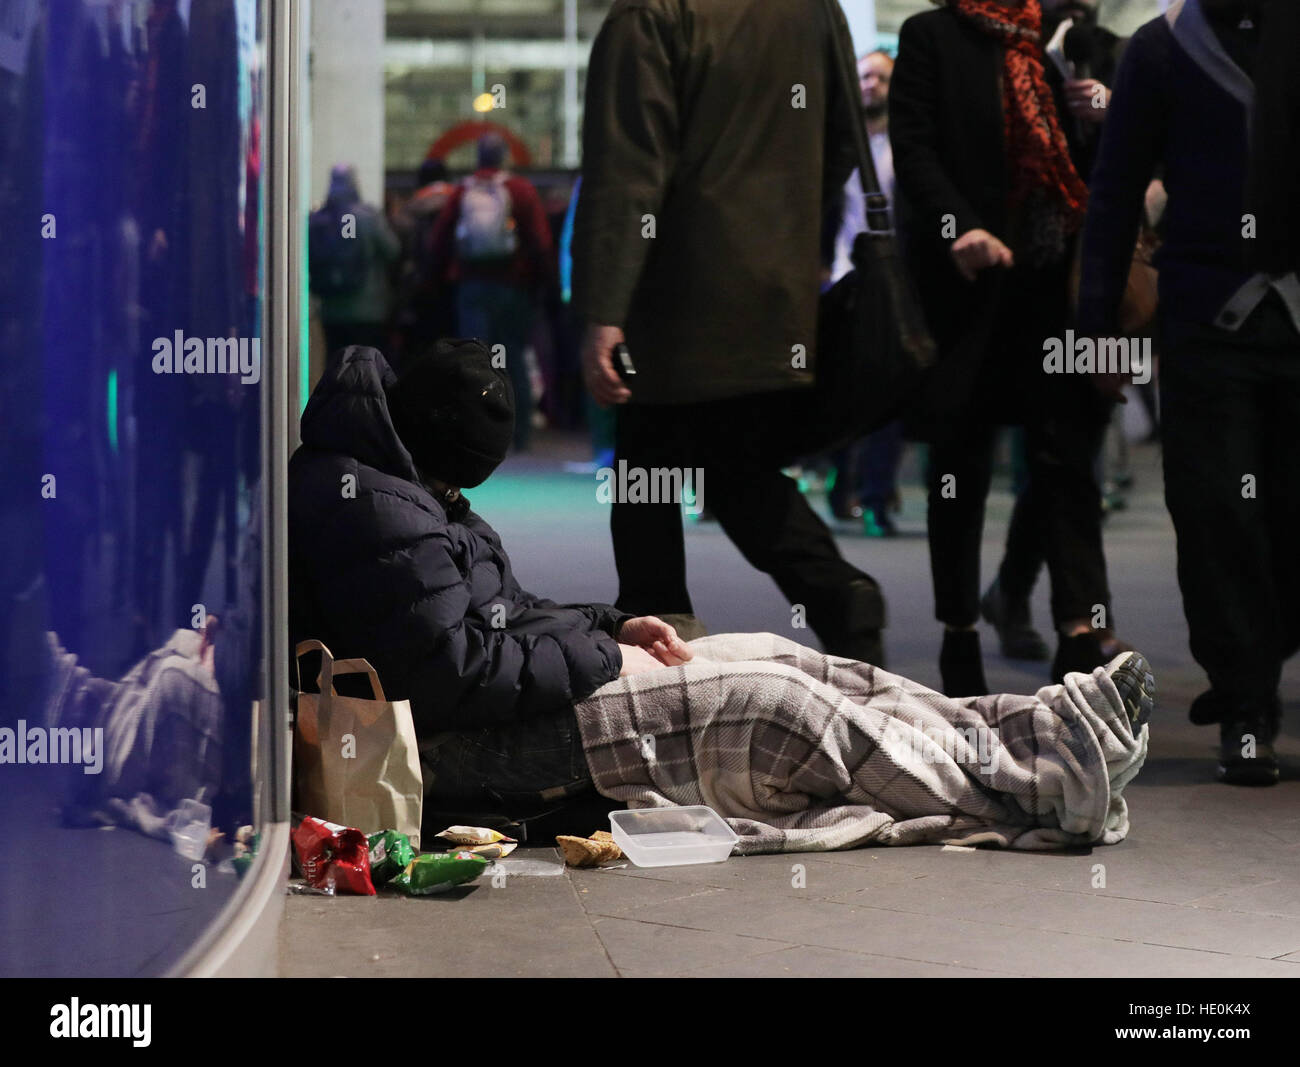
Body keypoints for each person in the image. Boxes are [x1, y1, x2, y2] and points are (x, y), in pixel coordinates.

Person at [286, 342, 1153, 850]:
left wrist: (610, 623)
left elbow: (498, 613)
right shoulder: (380, 511)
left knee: (784, 657)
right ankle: (1035, 778)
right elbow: (450, 672)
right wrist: (601, 654)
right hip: (464, 749)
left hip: (515, 699)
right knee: (772, 709)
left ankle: (1032, 727)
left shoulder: (401, 484)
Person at [572, 0, 886, 663]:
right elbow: (840, 141)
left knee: (647, 476)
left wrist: (604, 306)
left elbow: (629, 169)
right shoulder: (814, 10)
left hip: (672, 297)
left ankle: (671, 645)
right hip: (778, 284)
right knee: (731, 461)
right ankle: (834, 591)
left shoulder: (650, 15)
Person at [1078, 0, 1300, 785]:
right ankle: (1246, 707)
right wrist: (1098, 329)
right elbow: (1114, 191)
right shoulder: (1164, 48)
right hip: (1207, 325)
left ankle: (1259, 666)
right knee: (1216, 517)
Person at [890, 0, 1116, 697]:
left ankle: (1079, 630)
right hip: (970, 288)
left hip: (1052, 289)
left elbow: (1092, 177)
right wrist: (960, 228)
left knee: (1066, 456)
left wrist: (1100, 120)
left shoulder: (1063, 56)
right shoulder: (932, 36)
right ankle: (959, 629)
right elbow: (915, 147)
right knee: (960, 468)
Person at [825, 49, 908, 537]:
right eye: (864, 77)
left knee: (891, 395)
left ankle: (877, 497)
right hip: (839, 278)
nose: (871, 84)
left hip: (893, 286)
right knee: (840, 391)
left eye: (880, 76)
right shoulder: (838, 145)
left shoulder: (906, 144)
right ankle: (843, 485)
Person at [426, 134, 553, 452]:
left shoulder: (462, 191)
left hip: (471, 287)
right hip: (513, 289)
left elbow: (439, 240)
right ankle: (519, 434)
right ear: (505, 159)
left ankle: (477, 436)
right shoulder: (520, 190)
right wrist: (541, 284)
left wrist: (438, 280)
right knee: (513, 360)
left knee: (474, 361)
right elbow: (540, 241)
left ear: (478, 158)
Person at [309, 163, 400, 358]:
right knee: (367, 363)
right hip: (368, 310)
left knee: (337, 363)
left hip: (332, 310)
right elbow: (393, 251)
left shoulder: (318, 220)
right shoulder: (369, 217)